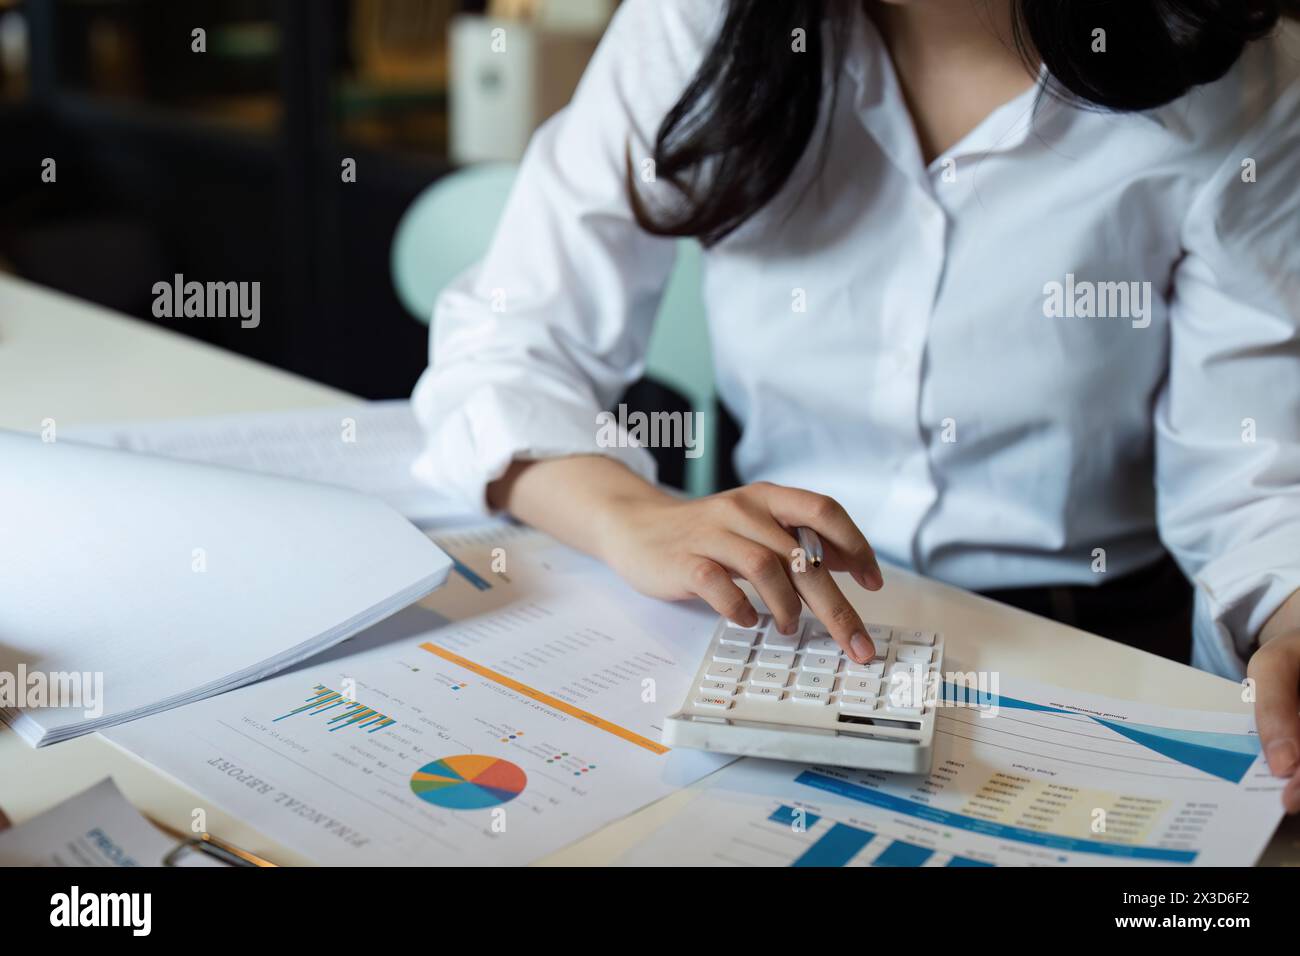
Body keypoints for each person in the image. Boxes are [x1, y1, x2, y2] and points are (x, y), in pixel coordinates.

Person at [412, 0, 1300, 812]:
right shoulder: (699, 21)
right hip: (776, 625)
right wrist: (630, 517)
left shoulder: (1241, 76)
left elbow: (1258, 475)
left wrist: (1291, 618)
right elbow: (506, 345)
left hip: (1089, 649)